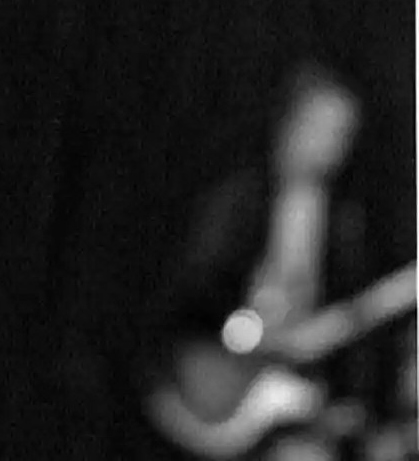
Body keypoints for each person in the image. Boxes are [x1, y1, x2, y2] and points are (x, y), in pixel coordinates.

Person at [136, 58, 384, 460]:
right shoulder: (239, 201)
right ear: (288, 123)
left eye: (341, 133)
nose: (330, 144)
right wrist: (253, 333)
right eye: (319, 127)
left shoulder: (346, 222)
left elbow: (354, 324)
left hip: (298, 391)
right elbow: (194, 297)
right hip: (225, 378)